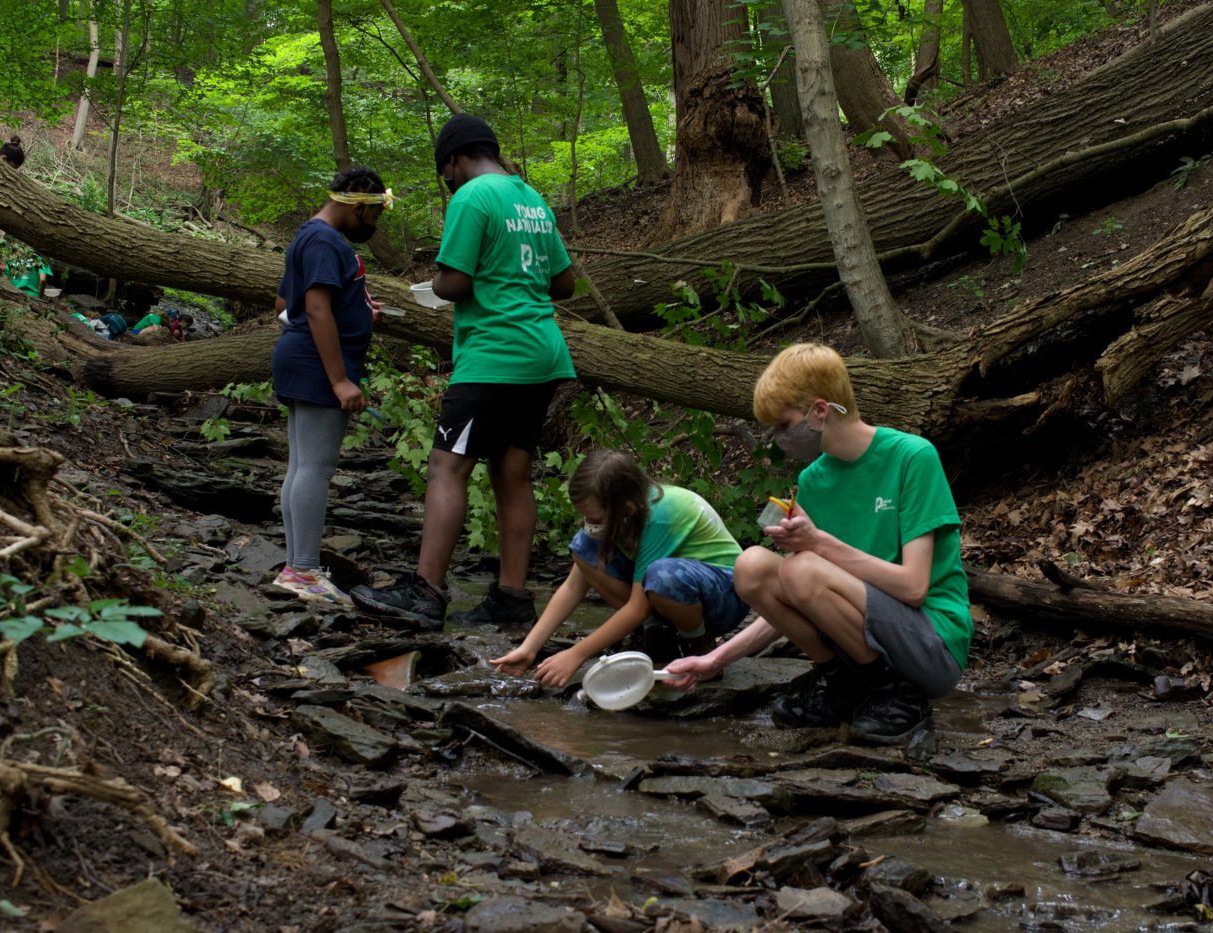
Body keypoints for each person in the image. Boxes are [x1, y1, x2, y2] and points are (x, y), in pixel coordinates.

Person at [664, 343, 972, 744]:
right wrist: (716, 658)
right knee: (753, 567)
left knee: (802, 565)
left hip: (931, 644)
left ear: (820, 411)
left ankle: (895, 695)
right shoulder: (812, 480)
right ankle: (844, 686)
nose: (778, 439)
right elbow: (795, 594)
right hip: (863, 636)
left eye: (783, 425)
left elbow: (913, 588)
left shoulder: (912, 457)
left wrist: (819, 543)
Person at [351, 114, 577, 630]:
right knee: (512, 474)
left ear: (453, 160)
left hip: (494, 353)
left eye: (444, 171)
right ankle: (512, 598)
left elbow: (453, 284)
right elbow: (563, 283)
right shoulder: (532, 199)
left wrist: (440, 281)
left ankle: (426, 591)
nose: (447, 180)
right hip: (543, 353)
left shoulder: (471, 198)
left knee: (447, 466)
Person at [490, 449, 750, 686]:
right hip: (672, 589)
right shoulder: (625, 514)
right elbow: (572, 587)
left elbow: (637, 607)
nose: (589, 523)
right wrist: (529, 648)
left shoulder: (660, 516)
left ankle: (697, 645)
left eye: (595, 518)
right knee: (584, 546)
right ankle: (655, 634)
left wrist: (576, 654)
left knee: (662, 577)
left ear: (625, 508)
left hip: (726, 595)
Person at [269, 165, 393, 606]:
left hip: (301, 361)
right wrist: (339, 380)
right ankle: (302, 571)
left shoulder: (308, 235)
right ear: (359, 207)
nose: (375, 226)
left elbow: (287, 301)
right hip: (316, 367)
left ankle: (295, 566)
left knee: (301, 466)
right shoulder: (324, 240)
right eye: (374, 216)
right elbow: (316, 309)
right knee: (316, 469)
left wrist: (357, 303)